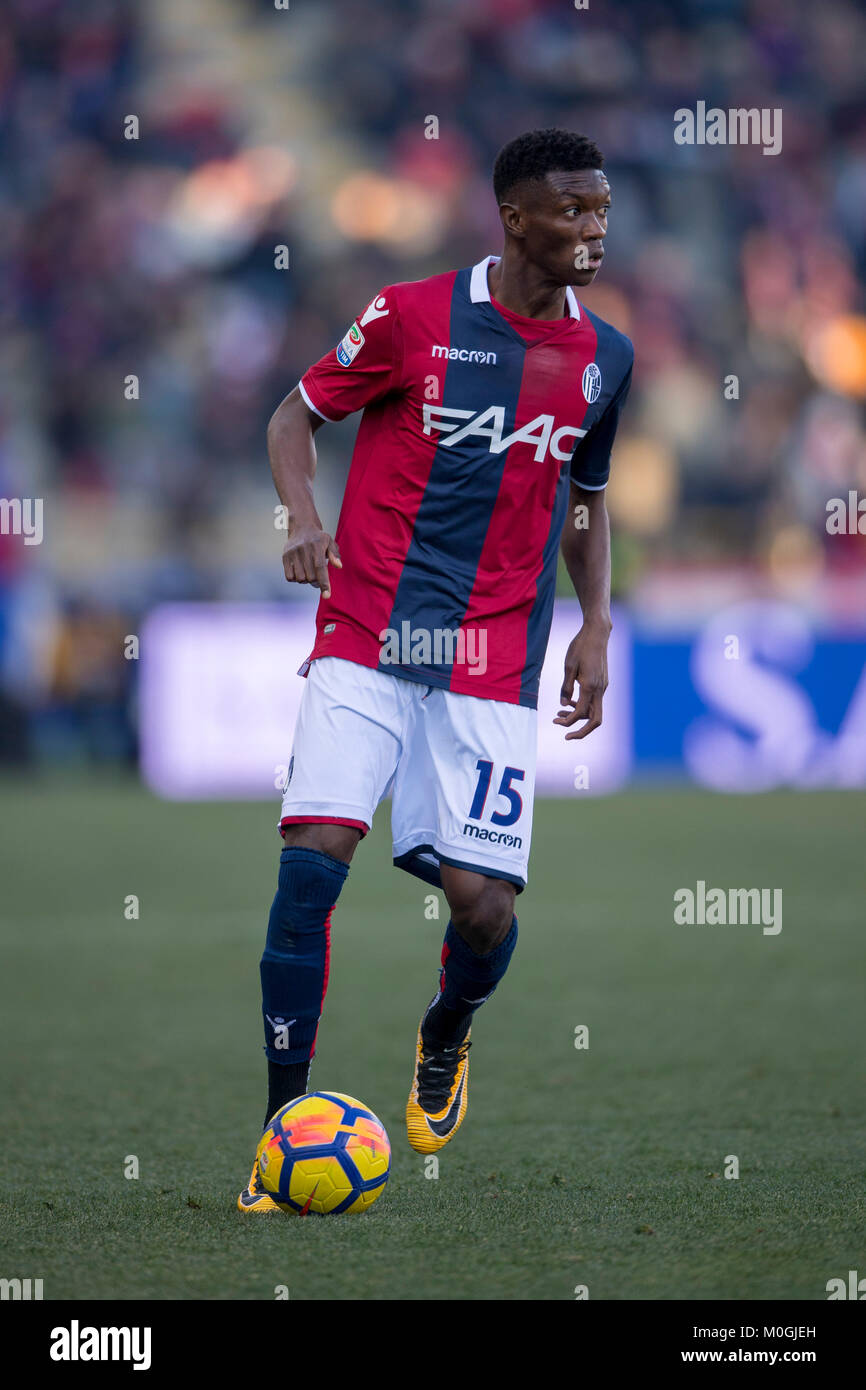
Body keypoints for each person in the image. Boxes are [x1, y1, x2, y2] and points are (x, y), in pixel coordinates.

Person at [239, 127, 633, 1211]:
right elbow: (293, 415)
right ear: (513, 217)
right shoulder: (410, 315)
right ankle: (280, 1135)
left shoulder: (606, 357)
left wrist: (594, 624)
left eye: (600, 210)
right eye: (571, 210)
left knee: (481, 911)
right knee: (312, 861)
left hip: (491, 656)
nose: (592, 229)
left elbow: (586, 504)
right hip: (367, 627)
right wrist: (303, 517)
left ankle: (445, 1031)